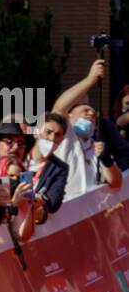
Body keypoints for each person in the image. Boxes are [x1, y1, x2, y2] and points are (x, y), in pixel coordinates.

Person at [52, 58, 123, 197]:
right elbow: (59, 109)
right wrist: (90, 80)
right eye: (85, 110)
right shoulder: (65, 137)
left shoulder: (97, 148)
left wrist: (106, 160)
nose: (91, 113)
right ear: (70, 115)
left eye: (94, 114)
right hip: (64, 213)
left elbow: (117, 183)